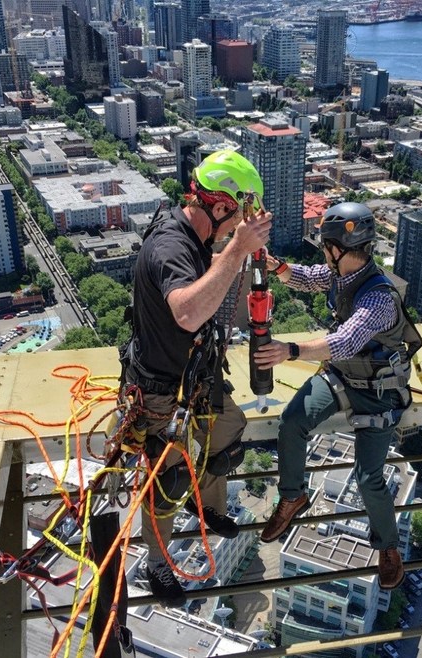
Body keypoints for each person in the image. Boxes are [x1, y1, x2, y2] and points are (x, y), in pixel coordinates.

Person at [119, 150, 272, 607]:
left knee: (227, 432)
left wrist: (245, 253)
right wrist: (237, 249)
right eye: (234, 218)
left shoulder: (196, 234)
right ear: (223, 206)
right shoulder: (171, 242)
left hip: (195, 376)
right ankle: (158, 566)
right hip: (161, 389)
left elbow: (216, 290)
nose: (232, 228)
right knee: (167, 480)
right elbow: (186, 311)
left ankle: (204, 506)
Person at [252, 201, 422, 591]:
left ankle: (388, 546)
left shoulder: (378, 297)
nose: (323, 254)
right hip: (342, 378)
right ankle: (293, 496)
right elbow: (309, 278)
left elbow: (344, 341)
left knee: (368, 478)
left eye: (325, 246)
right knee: (293, 422)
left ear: (336, 248)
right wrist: (277, 266)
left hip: (378, 392)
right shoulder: (340, 275)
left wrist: (290, 350)